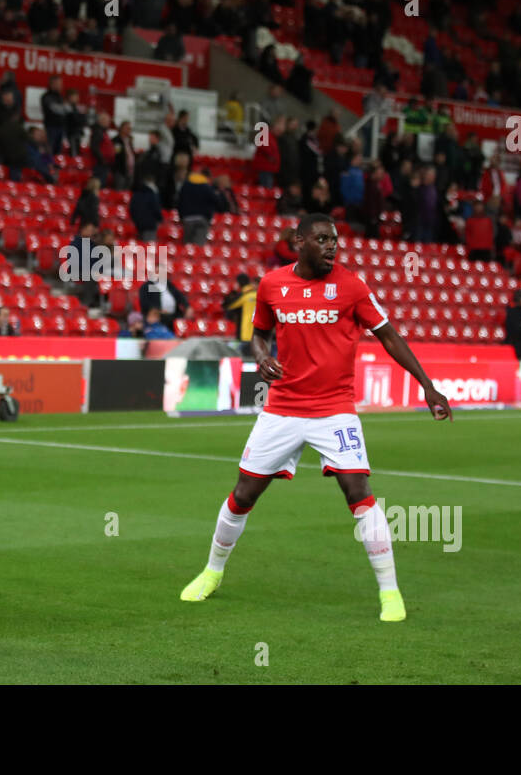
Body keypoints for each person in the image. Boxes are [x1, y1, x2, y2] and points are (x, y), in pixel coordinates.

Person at [179, 215, 452, 621]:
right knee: (244, 494)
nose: (331, 246)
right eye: (322, 239)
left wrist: (427, 385)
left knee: (357, 490)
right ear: (299, 241)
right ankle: (211, 572)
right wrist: (260, 355)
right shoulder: (272, 284)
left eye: (335, 240)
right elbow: (260, 333)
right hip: (283, 407)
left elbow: (389, 335)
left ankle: (390, 592)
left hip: (334, 409)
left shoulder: (352, 286)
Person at [223, 273, 258, 342]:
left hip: (245, 332)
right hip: (256, 331)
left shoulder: (243, 295)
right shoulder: (256, 294)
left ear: (239, 283)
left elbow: (227, 306)